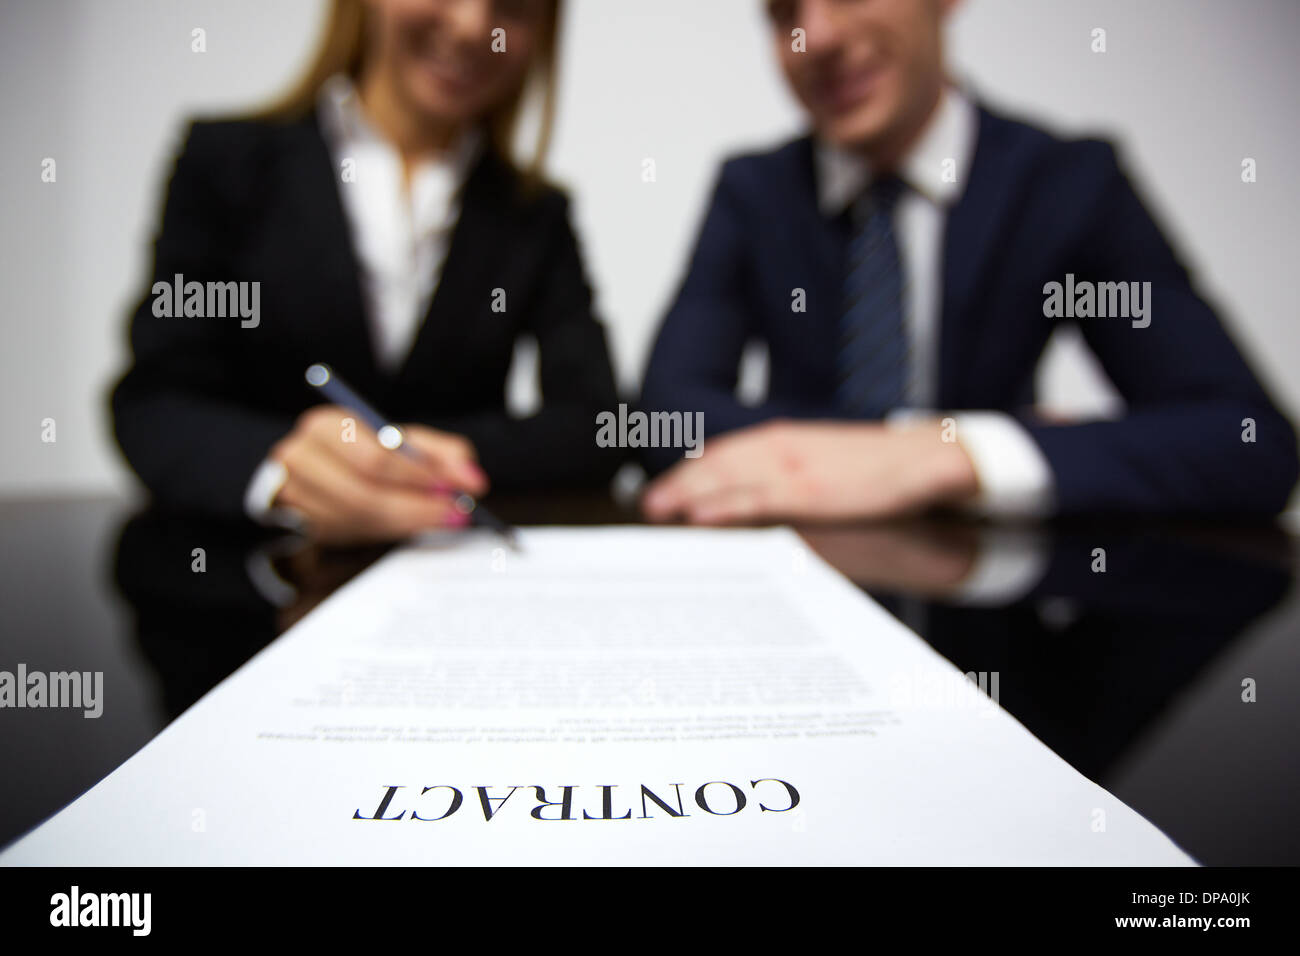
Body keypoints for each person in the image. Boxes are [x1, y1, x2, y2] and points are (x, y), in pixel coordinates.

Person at [640, 0, 1297, 524]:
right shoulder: (754, 192)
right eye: (784, 13)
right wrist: (924, 443)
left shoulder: (1069, 183)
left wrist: (959, 455)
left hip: (1001, 627)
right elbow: (664, 416)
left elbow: (1248, 441)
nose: (819, 34)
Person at [112, 0, 621, 543]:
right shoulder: (227, 165)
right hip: (242, 588)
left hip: (451, 575)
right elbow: (156, 403)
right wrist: (281, 472)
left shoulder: (534, 213)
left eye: (514, 7)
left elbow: (596, 425)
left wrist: (424, 455)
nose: (473, 26)